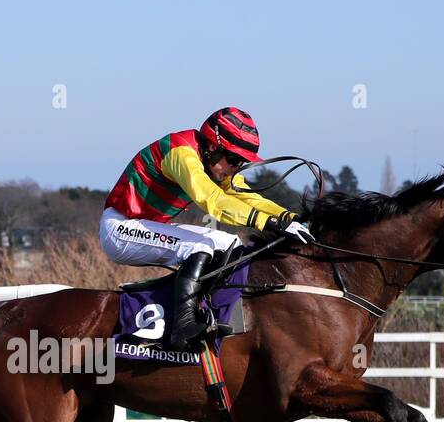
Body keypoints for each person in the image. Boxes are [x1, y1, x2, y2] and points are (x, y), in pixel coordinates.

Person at [101, 107, 314, 349]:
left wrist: (288, 217)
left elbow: (248, 198)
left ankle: (209, 313)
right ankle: (183, 327)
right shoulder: (181, 154)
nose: (235, 168)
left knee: (229, 243)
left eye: (241, 162)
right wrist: (267, 222)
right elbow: (211, 200)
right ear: (212, 147)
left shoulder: (213, 163)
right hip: (120, 228)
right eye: (233, 160)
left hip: (147, 226)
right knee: (200, 246)